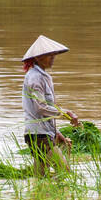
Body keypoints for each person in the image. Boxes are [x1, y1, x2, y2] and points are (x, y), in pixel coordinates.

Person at [21, 35, 79, 175]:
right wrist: (66, 113)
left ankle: (38, 195)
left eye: (53, 55)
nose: (53, 58)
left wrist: (56, 133)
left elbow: (45, 109)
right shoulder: (35, 78)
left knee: (40, 176)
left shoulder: (43, 76)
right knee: (64, 172)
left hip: (42, 134)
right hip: (39, 136)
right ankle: (58, 195)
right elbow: (40, 108)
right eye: (49, 55)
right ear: (38, 58)